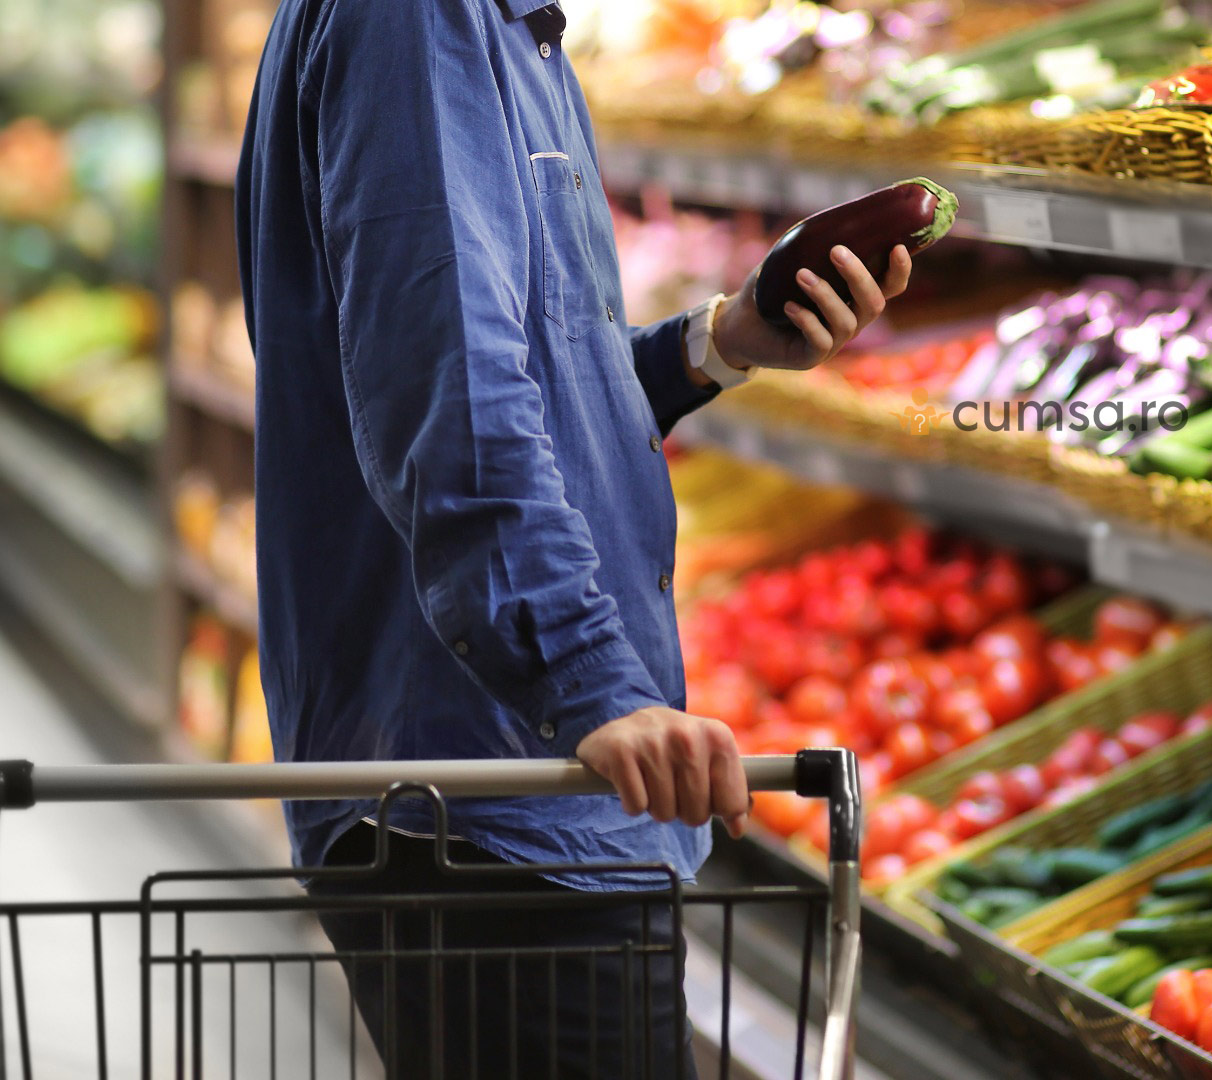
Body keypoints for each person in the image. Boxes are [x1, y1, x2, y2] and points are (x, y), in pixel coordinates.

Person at [234, 0, 910, 1073]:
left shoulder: (510, 33)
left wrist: (715, 344)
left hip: (522, 800)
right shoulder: (421, 19)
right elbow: (449, 392)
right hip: (489, 805)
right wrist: (591, 682)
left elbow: (525, 376)